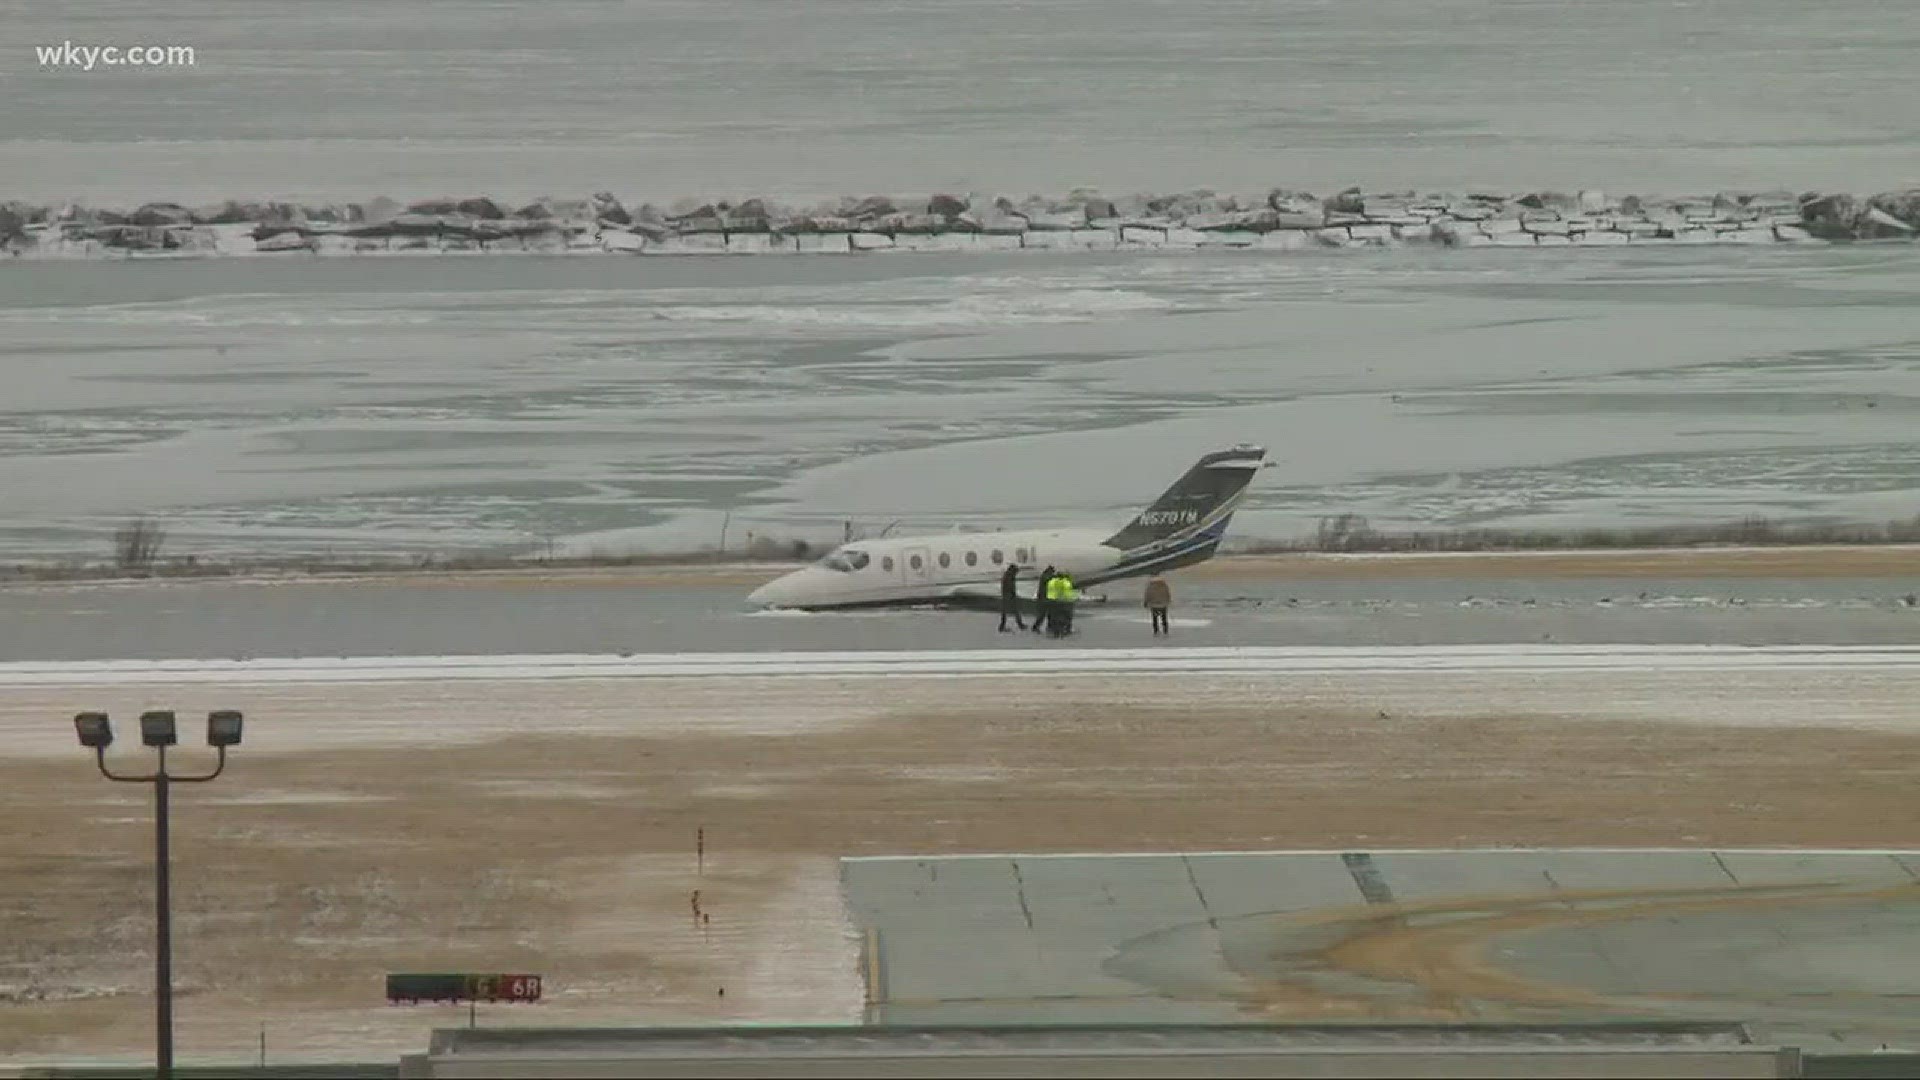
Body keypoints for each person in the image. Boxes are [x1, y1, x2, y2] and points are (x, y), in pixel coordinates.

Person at [1049, 570, 1079, 637]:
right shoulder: (1066, 583)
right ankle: (1066, 630)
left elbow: (1050, 592)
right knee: (1067, 617)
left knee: (1056, 617)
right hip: (1065, 602)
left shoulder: (1052, 582)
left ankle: (1056, 631)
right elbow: (1069, 593)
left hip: (1054, 601)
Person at [998, 561, 1025, 631]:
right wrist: (1013, 593)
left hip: (1007, 595)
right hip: (1009, 595)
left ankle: (1003, 626)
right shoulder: (1009, 576)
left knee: (1006, 611)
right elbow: (1009, 586)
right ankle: (1019, 625)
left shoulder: (1008, 575)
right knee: (1014, 610)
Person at [1032, 565, 1055, 634]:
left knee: (1050, 614)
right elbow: (1048, 579)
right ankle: (1035, 627)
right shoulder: (1044, 576)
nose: (1052, 573)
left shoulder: (1045, 576)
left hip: (1046, 598)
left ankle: (1050, 627)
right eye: (1052, 572)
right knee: (1042, 614)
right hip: (1043, 598)